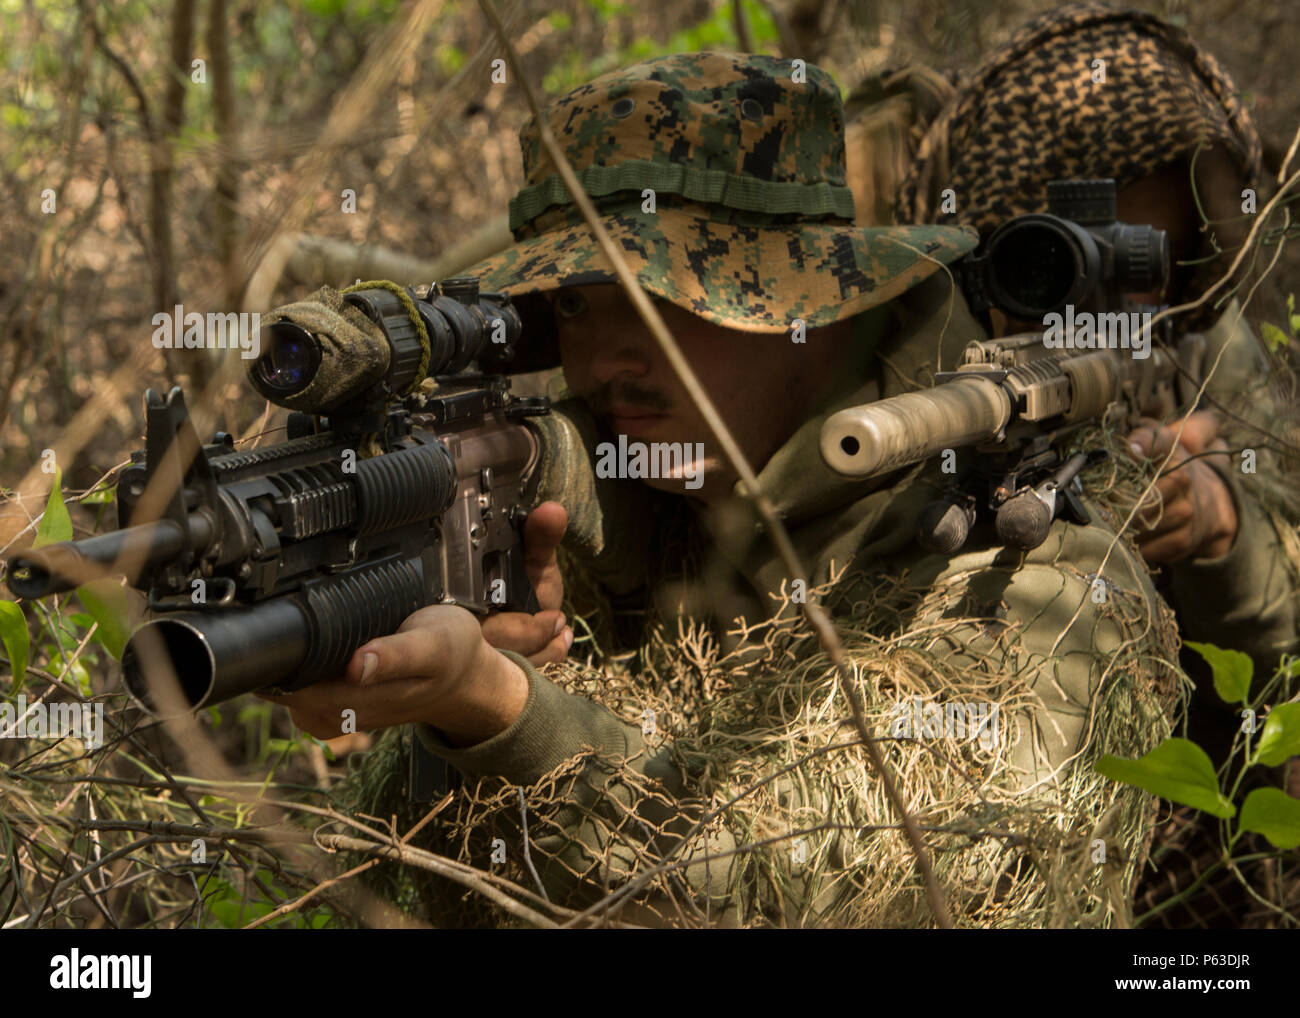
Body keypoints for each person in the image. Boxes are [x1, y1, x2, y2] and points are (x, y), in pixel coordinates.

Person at [270, 51, 1187, 927]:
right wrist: (446, 707)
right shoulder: (609, 522)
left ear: (818, 302)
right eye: (576, 305)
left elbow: (796, 889)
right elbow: (428, 893)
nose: (603, 363)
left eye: (666, 296)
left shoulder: (1039, 577)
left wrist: (500, 709)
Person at [893, 3, 1300, 761]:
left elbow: (1286, 660)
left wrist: (1219, 528)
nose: (1126, 302)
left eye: (1149, 257)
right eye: (1065, 262)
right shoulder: (912, 339)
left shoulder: (1206, 343)